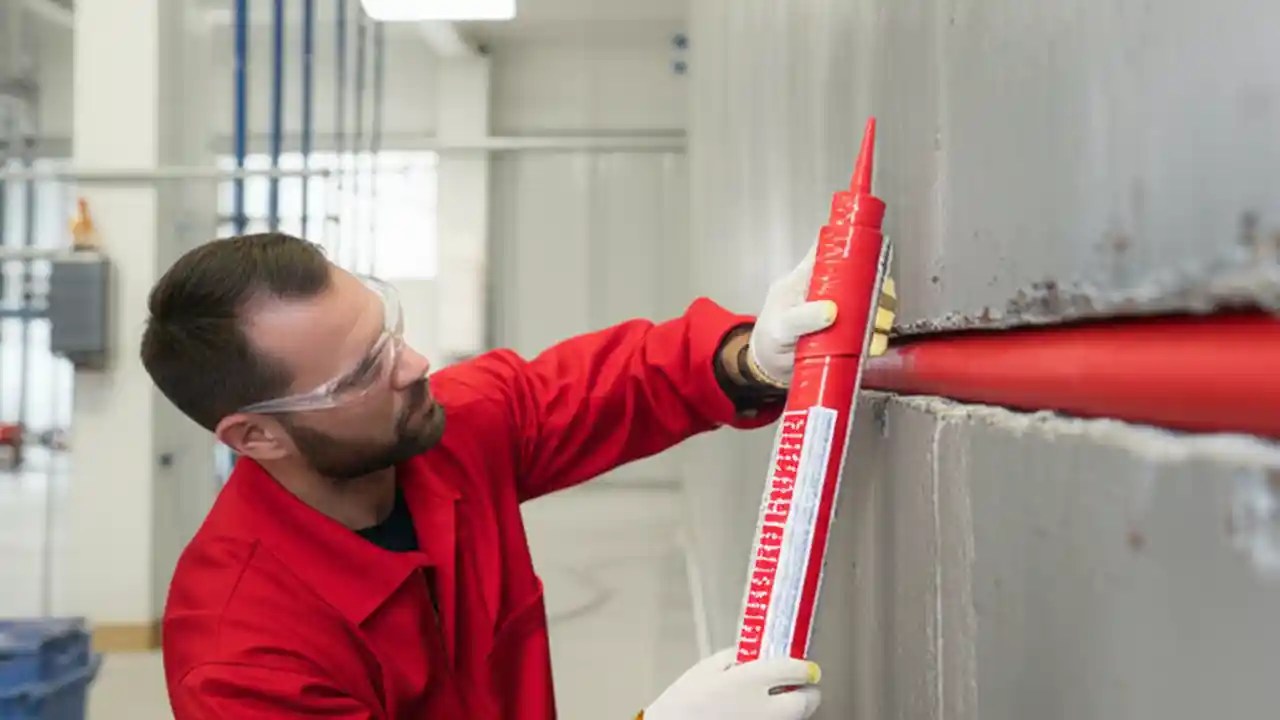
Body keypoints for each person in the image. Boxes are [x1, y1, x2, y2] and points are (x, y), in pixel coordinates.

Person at [142, 232, 835, 719]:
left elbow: (610, 385)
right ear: (257, 437)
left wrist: (749, 358)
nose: (414, 365)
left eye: (388, 332)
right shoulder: (242, 657)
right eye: (363, 373)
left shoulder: (440, 433)